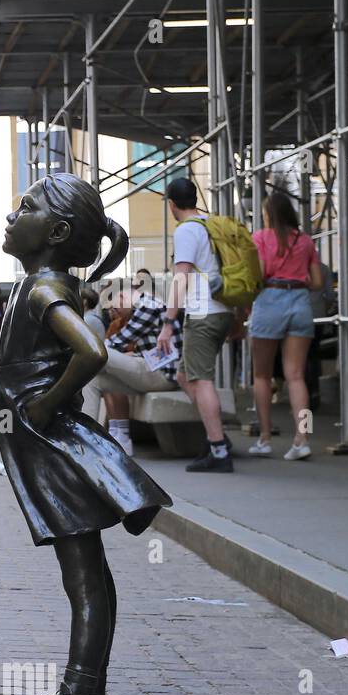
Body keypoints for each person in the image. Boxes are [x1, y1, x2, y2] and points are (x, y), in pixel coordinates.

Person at [0, 172, 171, 695]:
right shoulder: (39, 286)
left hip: (53, 443)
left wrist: (40, 402)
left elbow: (92, 352)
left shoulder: (44, 290)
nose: (13, 215)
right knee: (86, 573)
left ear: (57, 231)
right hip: (42, 441)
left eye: (26, 207)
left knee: (83, 576)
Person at [156, 176, 235, 473]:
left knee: (201, 380)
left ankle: (218, 450)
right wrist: (237, 315)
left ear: (172, 204)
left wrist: (168, 322)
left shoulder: (187, 230)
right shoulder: (212, 224)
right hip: (222, 309)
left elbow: (181, 277)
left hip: (202, 313)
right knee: (184, 375)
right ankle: (216, 435)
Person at [248, 192, 323, 461]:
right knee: (296, 377)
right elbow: (316, 282)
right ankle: (303, 438)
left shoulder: (261, 238)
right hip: (300, 302)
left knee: (262, 376)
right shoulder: (305, 241)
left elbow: (262, 272)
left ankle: (265, 438)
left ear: (270, 214)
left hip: (270, 301)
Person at [79, 275, 184, 456]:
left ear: (122, 296)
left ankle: (97, 435)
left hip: (163, 376)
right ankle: (87, 439)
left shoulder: (148, 306)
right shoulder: (145, 307)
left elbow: (116, 342)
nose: (113, 312)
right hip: (152, 370)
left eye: (113, 306)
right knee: (95, 379)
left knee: (98, 352)